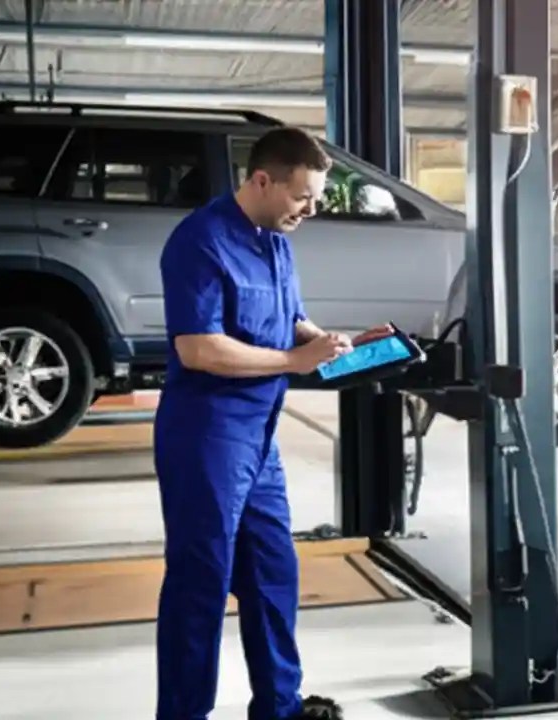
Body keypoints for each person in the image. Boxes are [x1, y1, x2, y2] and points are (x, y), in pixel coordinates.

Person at [153, 126, 390, 720]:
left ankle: (280, 710)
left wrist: (337, 344)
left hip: (258, 441)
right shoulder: (199, 242)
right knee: (200, 586)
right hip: (205, 436)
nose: (310, 210)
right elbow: (198, 349)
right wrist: (293, 361)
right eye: (302, 197)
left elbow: (290, 319)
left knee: (272, 576)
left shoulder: (276, 240)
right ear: (262, 180)